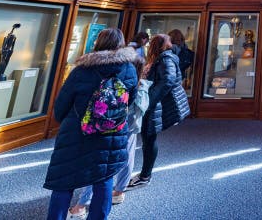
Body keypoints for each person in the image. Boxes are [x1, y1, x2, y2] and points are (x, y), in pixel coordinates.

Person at [43, 28, 138, 220]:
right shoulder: (128, 69)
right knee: (103, 179)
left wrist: (67, 121)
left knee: (64, 181)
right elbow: (130, 100)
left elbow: (62, 103)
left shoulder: (82, 69)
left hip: (77, 131)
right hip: (111, 132)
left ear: (98, 43)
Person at [68, 57, 152, 219]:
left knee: (101, 164)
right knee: (127, 156)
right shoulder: (142, 87)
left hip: (114, 128)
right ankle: (119, 190)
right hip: (131, 128)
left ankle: (81, 206)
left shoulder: (120, 85)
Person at [127, 34, 189, 188]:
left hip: (154, 103)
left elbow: (167, 81)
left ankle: (145, 175)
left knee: (149, 137)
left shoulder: (166, 59)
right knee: (148, 137)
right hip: (153, 102)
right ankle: (144, 174)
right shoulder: (162, 58)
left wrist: (149, 101)